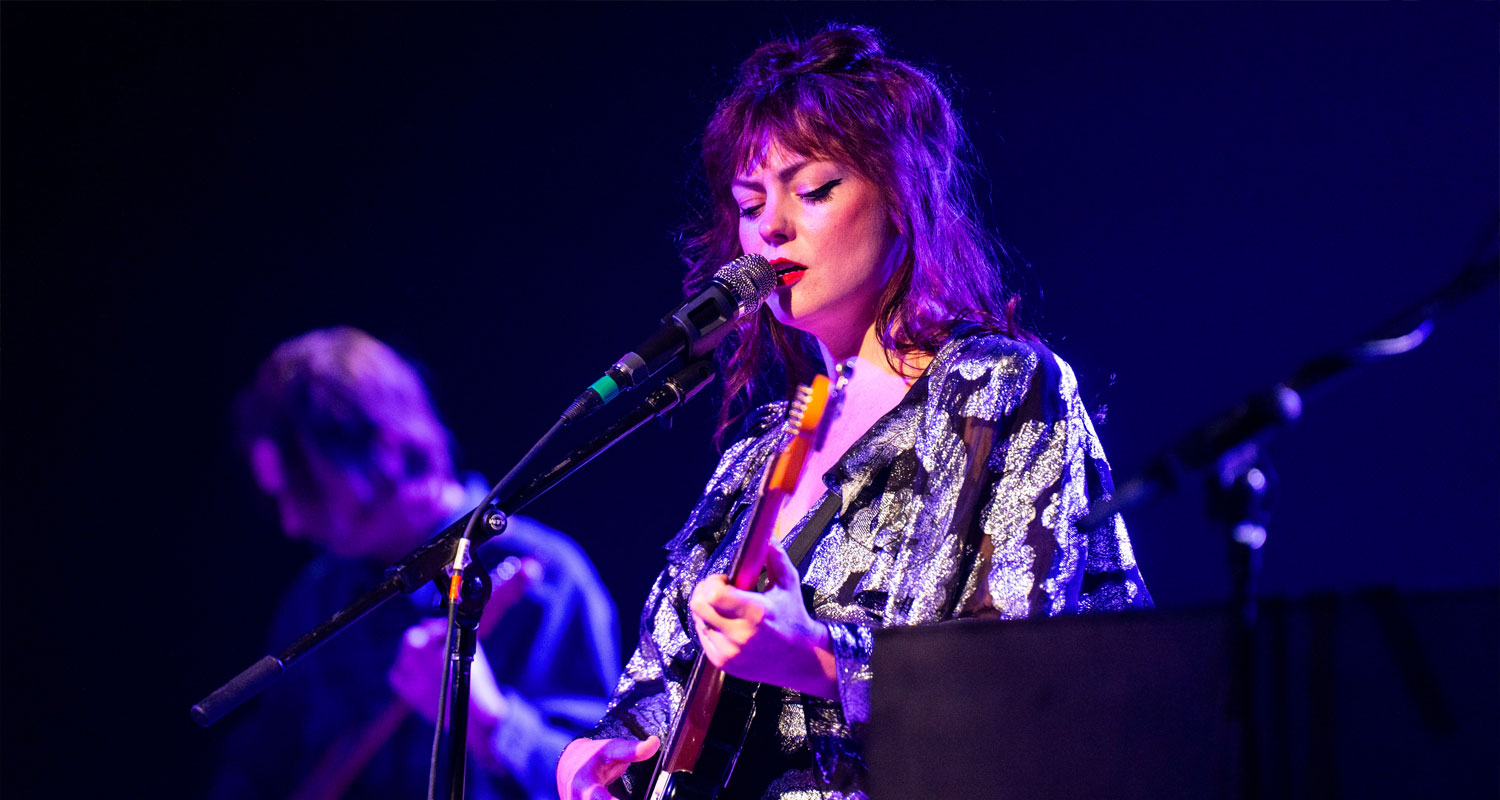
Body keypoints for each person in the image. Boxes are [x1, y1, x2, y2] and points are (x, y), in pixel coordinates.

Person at [557, 25, 1152, 800]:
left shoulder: (992, 387)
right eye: (748, 203)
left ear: (905, 193)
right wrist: (597, 756)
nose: (769, 228)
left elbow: (1018, 677)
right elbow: (656, 689)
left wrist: (815, 658)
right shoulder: (759, 450)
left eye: (812, 190)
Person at [210, 326, 619, 800]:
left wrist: (494, 724)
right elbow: (258, 767)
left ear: (384, 449)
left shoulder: (548, 576)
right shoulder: (318, 596)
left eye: (304, 489)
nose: (292, 523)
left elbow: (609, 782)